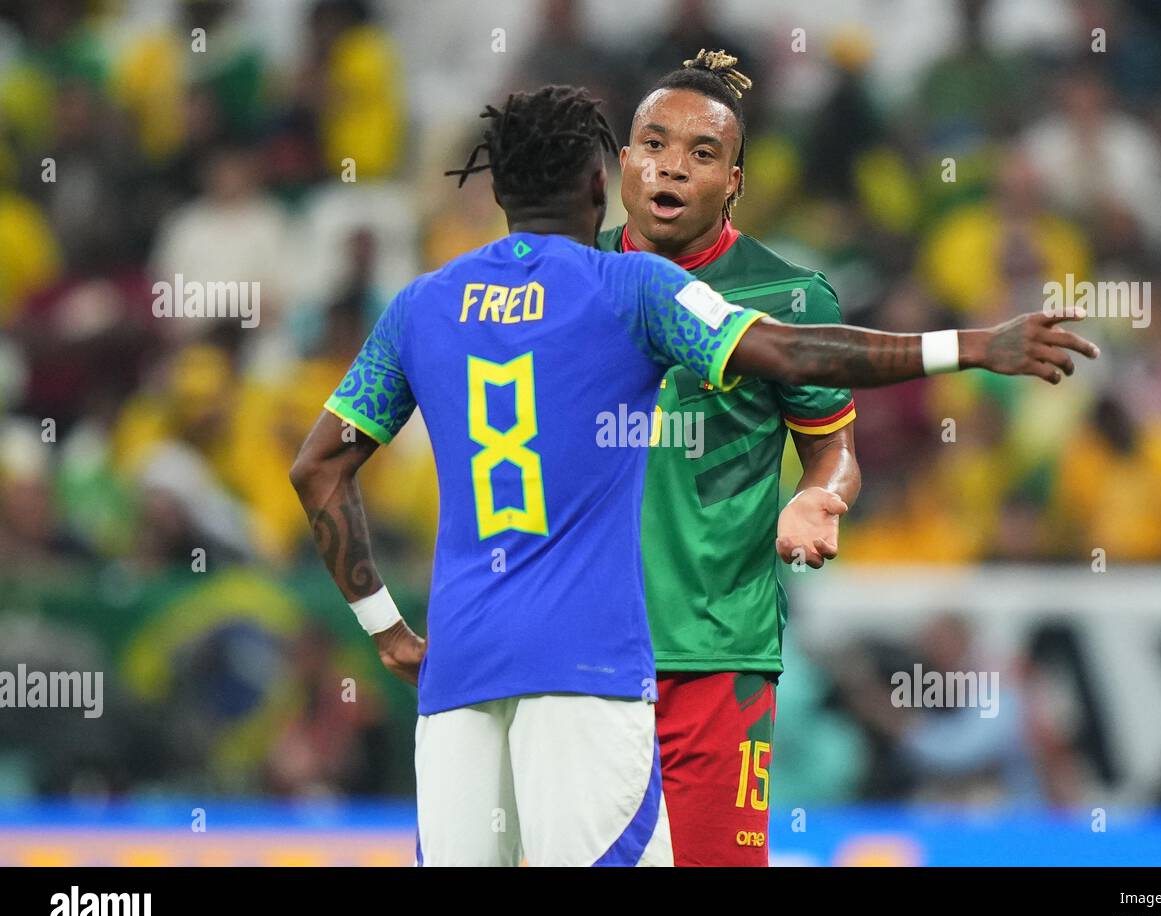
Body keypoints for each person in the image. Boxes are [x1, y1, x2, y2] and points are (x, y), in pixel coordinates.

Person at [289, 84, 1098, 867]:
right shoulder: (615, 283)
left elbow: (831, 440)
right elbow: (785, 351)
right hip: (593, 661)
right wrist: (971, 344)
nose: (672, 168)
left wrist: (821, 493)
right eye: (653, 146)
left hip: (698, 651)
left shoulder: (435, 300)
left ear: (734, 181)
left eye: (701, 152)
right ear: (608, 176)